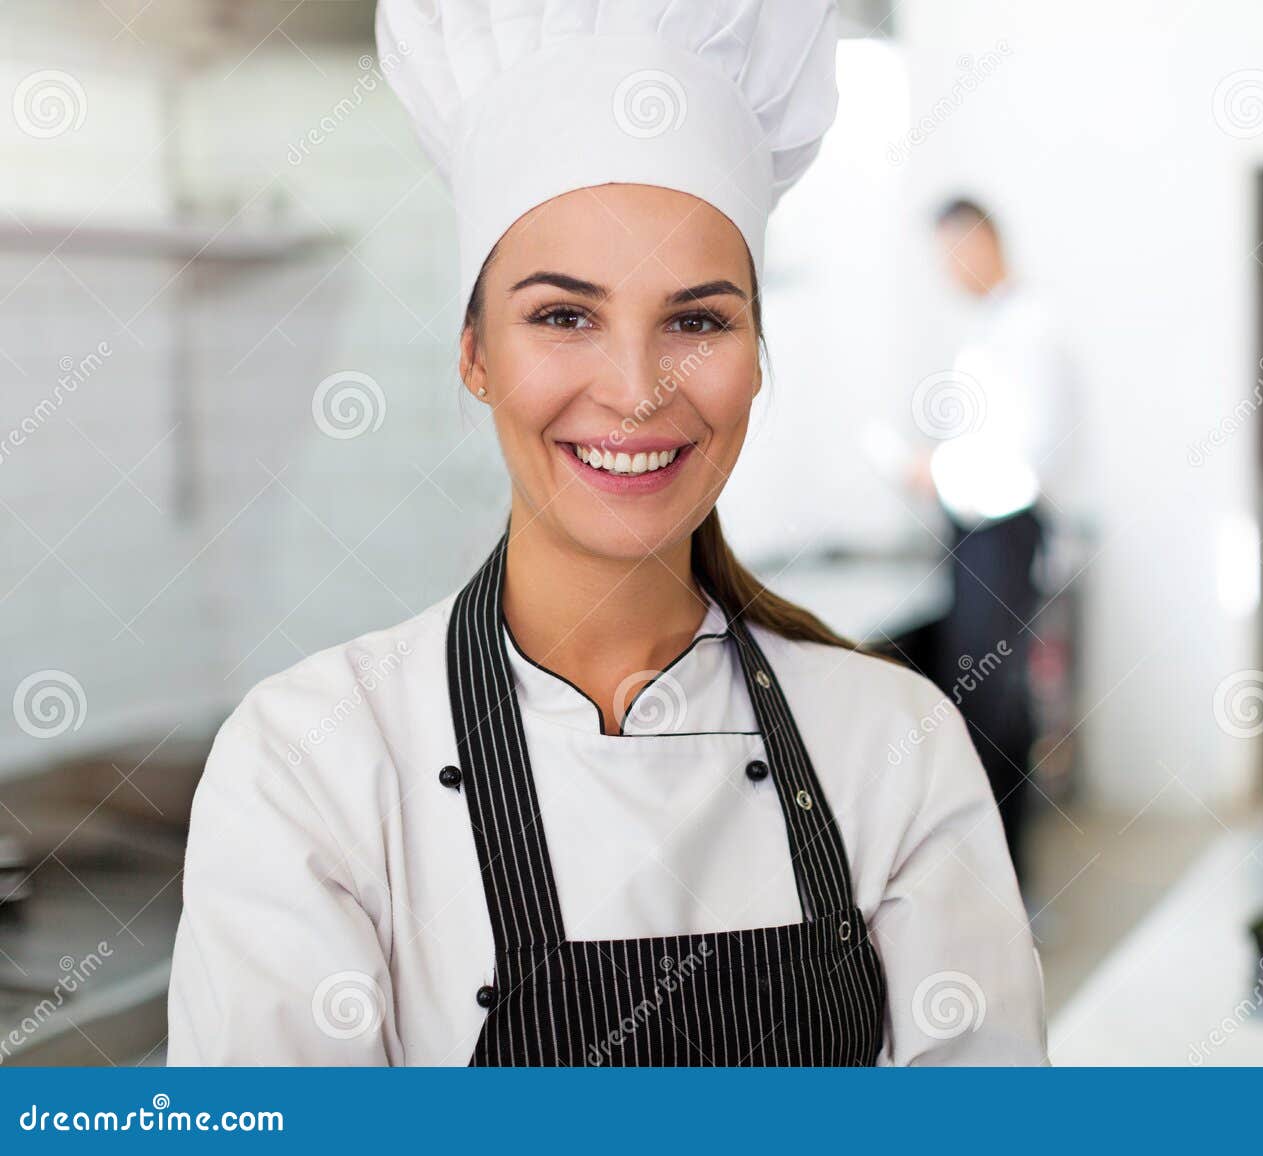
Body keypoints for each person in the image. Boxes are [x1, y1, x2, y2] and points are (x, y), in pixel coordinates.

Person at [165, 0, 1046, 1067]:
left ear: (757, 355)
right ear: (475, 352)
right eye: (562, 315)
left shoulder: (894, 748)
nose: (635, 392)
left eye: (697, 318)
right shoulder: (310, 765)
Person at [922, 197, 1072, 886]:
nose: (946, 270)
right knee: (983, 701)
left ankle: (1008, 878)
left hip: (1003, 534)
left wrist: (937, 472)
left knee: (995, 706)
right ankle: (993, 873)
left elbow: (1023, 460)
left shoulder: (1026, 331)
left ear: (983, 241)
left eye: (952, 252)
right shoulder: (990, 330)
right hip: (980, 533)